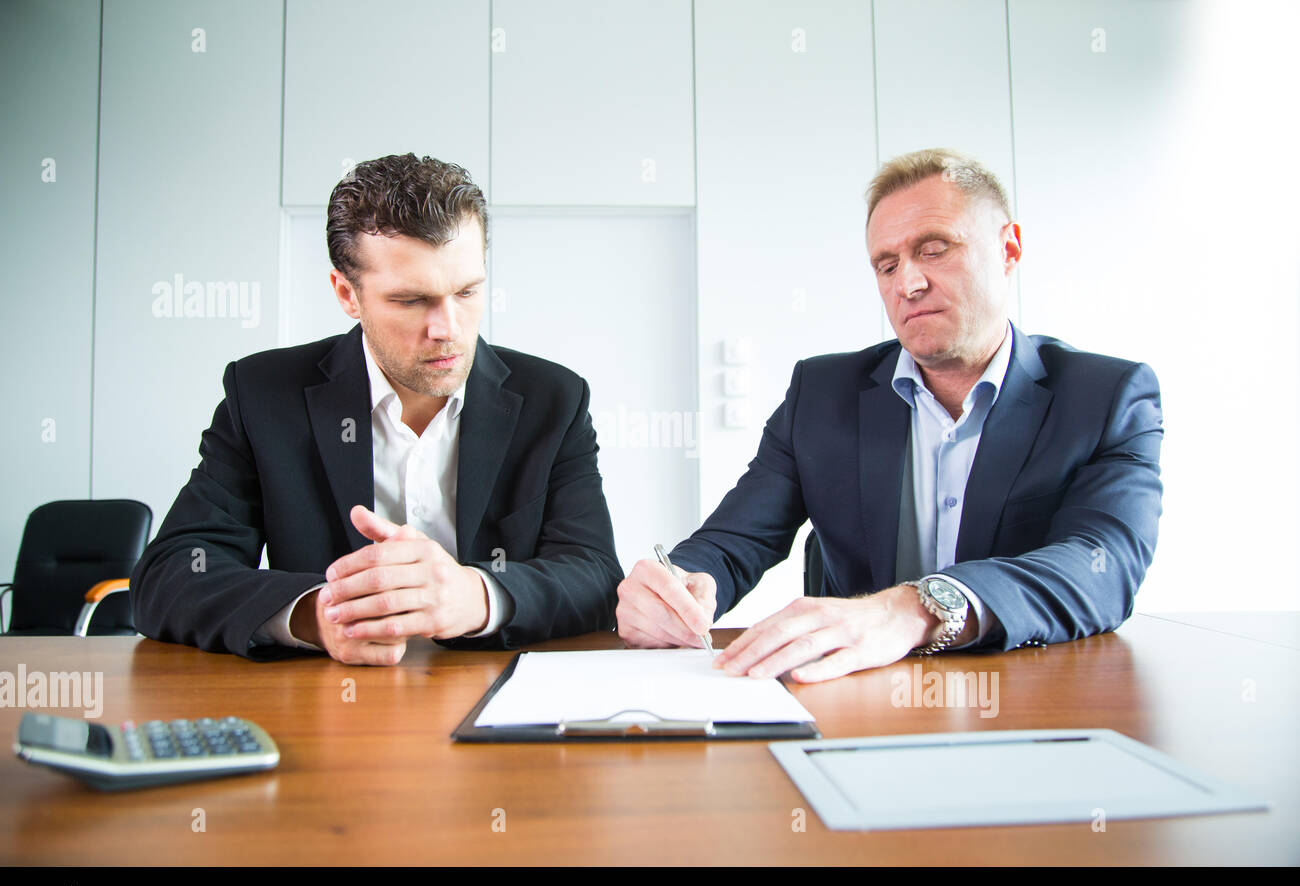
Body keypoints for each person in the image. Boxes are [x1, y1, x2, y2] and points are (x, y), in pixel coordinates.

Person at [616, 148, 1163, 682]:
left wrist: (911, 610)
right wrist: (681, 583)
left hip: (1031, 696)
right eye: (887, 264)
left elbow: (1103, 565)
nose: (908, 283)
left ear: (1009, 250)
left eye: (934, 249)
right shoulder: (822, 392)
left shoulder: (1105, 396)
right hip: (855, 702)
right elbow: (736, 540)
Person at [131, 154, 623, 664]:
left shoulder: (554, 399)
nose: (447, 329)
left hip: (497, 706)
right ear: (347, 293)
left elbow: (594, 575)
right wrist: (317, 616)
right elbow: (169, 575)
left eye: (467, 291)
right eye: (411, 301)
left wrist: (473, 597)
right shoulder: (262, 395)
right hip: (329, 712)